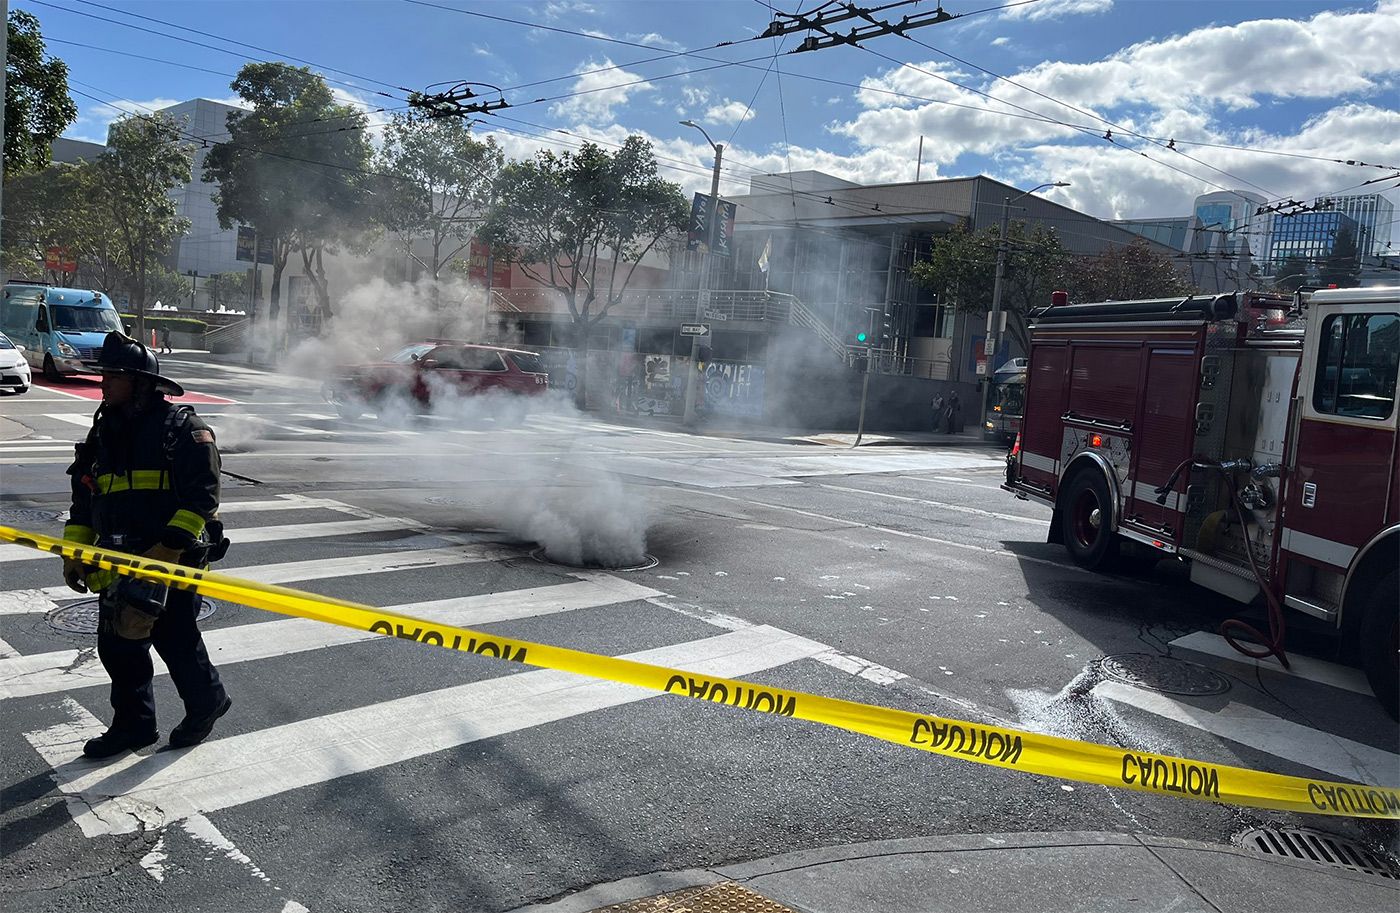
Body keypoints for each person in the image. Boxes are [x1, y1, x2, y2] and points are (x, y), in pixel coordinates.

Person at [61, 332, 231, 759]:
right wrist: (75, 552)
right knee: (117, 645)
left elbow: (202, 498)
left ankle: (206, 703)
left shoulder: (183, 429)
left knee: (175, 638)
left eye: (113, 376)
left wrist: (168, 551)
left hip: (168, 560)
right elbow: (85, 496)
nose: (104, 384)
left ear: (141, 382)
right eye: (104, 375)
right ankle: (134, 726)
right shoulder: (105, 432)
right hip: (115, 559)